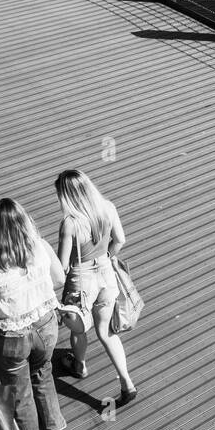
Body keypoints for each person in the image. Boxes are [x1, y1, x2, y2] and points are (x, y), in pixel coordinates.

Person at [0, 199, 67, 430]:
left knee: (20, 394)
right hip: (46, 325)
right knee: (43, 373)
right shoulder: (40, 247)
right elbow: (60, 279)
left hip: (12, 336)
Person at [55, 170, 137, 405]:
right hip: (106, 274)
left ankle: (79, 366)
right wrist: (106, 256)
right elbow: (120, 239)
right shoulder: (108, 207)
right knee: (106, 332)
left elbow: (61, 268)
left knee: (79, 329)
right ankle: (126, 383)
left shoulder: (70, 223)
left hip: (81, 280)